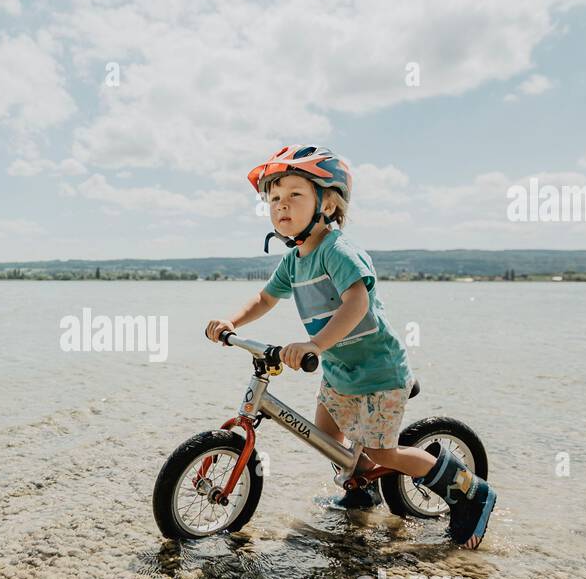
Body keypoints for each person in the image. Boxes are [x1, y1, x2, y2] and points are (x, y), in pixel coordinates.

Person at [204, 145, 496, 548]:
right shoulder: (294, 261)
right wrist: (231, 322)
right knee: (324, 436)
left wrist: (314, 344)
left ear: (328, 203)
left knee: (382, 454)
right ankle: (362, 490)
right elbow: (266, 298)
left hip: (379, 369)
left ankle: (469, 490)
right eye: (274, 198)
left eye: (295, 195)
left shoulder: (337, 251)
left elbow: (356, 304)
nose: (281, 205)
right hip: (341, 370)